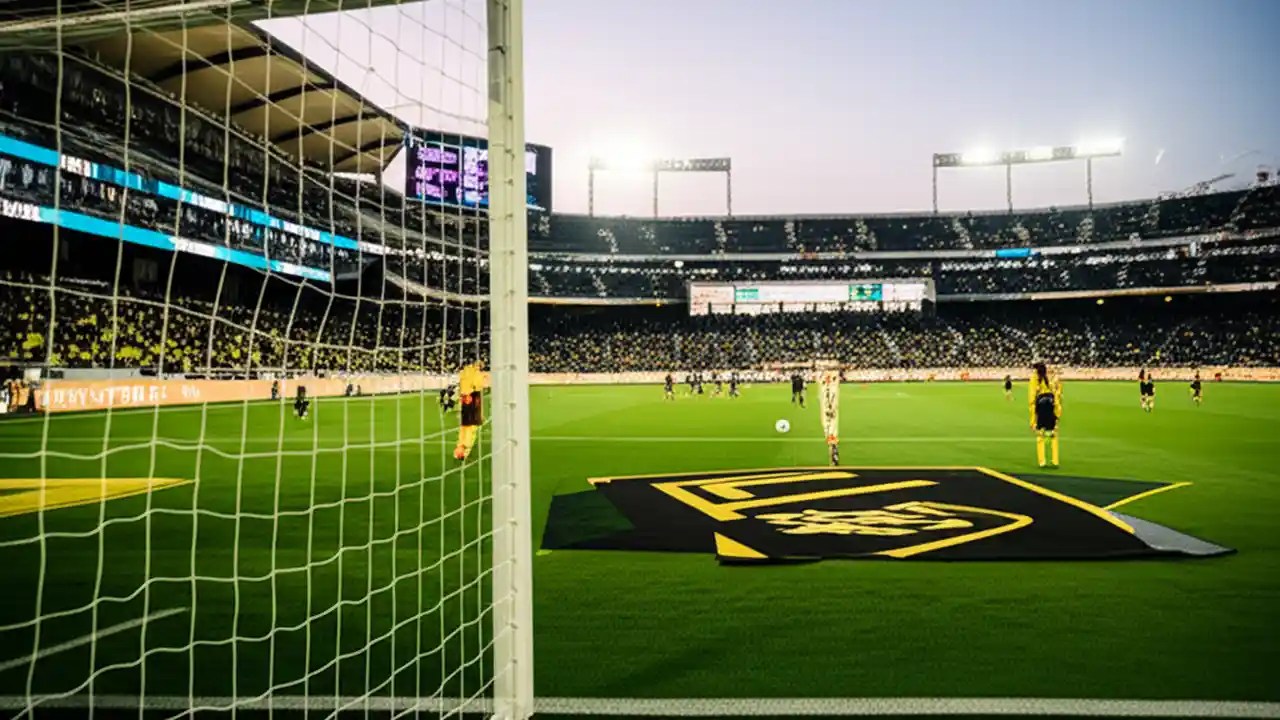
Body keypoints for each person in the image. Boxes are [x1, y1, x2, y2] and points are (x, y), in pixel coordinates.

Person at [1028, 362, 1062, 468]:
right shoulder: (1051, 379)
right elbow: (1057, 397)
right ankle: (1055, 461)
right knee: (1053, 435)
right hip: (1050, 407)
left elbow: (1031, 399)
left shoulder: (1034, 379)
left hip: (1041, 408)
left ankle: (1042, 461)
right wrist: (1057, 415)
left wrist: (1033, 420)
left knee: (1040, 436)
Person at [454, 363, 486, 461]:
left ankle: (461, 448)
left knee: (465, 426)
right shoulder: (475, 374)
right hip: (471, 398)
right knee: (471, 427)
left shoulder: (464, 372)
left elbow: (461, 387)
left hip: (466, 399)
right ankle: (463, 450)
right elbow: (477, 388)